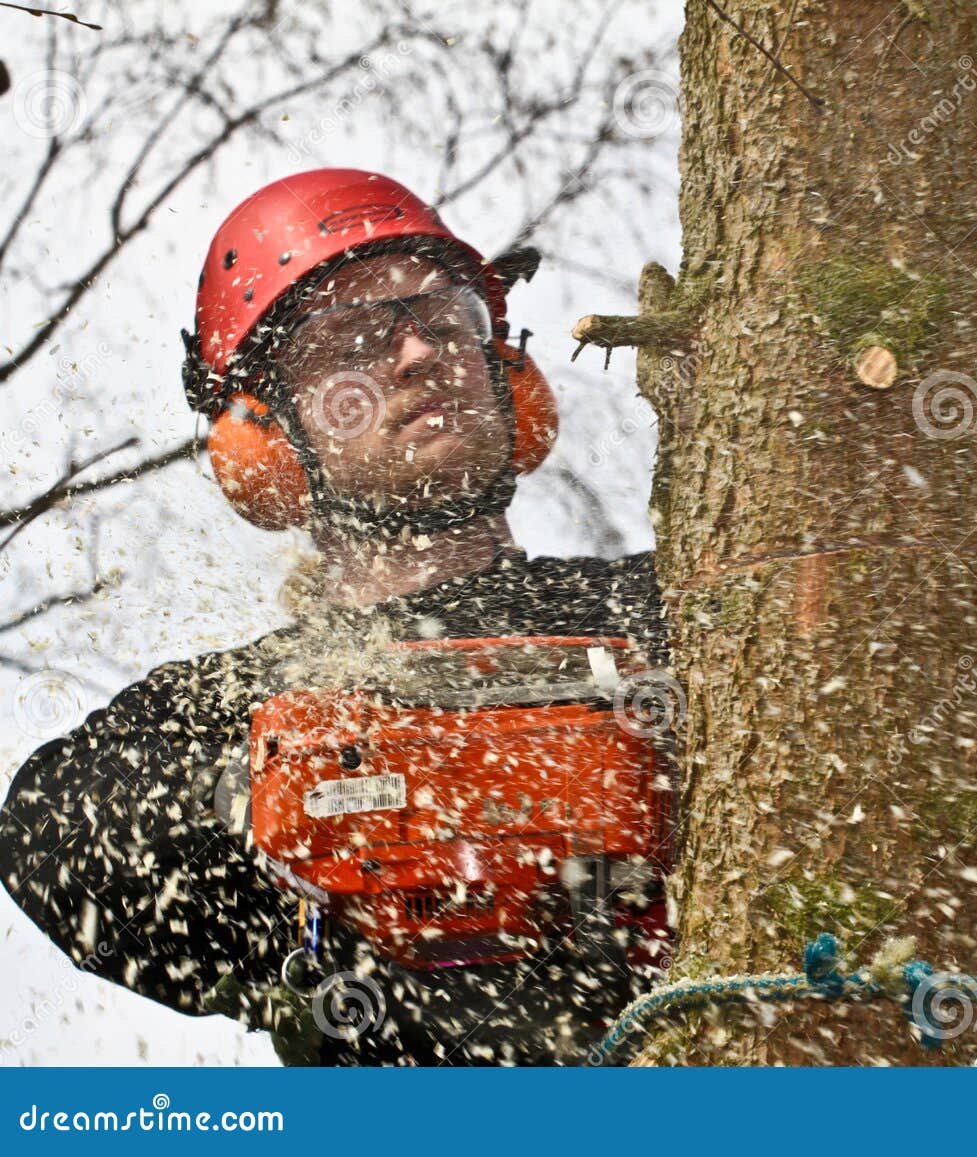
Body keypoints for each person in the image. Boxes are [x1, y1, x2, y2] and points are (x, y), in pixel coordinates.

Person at [0, 169, 668, 1066]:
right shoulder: (237, 700)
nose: (418, 354)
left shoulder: (660, 605)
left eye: (444, 320)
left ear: (507, 365)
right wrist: (269, 790)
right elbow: (50, 833)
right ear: (264, 434)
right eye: (352, 339)